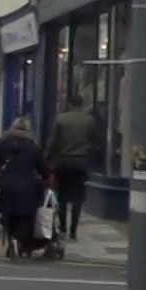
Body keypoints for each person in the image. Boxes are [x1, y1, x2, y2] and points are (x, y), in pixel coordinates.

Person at [0, 117, 49, 258]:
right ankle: (18, 241)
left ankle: (11, 241)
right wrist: (46, 181)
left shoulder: (3, 144)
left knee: (8, 215)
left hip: (7, 185)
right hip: (27, 186)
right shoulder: (33, 147)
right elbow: (43, 169)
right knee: (25, 217)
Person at [45, 94, 95, 240]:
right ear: (81, 104)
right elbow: (93, 139)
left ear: (70, 104)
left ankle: (63, 227)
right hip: (80, 162)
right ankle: (73, 231)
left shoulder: (60, 119)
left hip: (63, 162)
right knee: (78, 198)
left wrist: (47, 157)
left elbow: (53, 142)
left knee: (61, 197)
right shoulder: (89, 120)